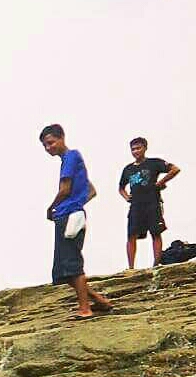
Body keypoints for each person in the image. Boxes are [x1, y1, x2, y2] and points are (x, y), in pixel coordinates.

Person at [39, 124, 113, 320]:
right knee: (62, 270)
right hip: (72, 213)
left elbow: (65, 189)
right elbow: (91, 190)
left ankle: (85, 309)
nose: (48, 148)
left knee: (72, 264)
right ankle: (99, 301)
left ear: (61, 138)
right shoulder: (71, 160)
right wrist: (77, 203)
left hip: (69, 217)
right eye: (45, 145)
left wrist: (51, 207)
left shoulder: (71, 157)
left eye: (51, 142)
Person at [119, 137, 181, 268]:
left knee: (156, 232)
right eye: (133, 149)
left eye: (138, 148)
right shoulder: (128, 169)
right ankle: (131, 268)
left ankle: (156, 264)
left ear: (145, 148)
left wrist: (161, 182)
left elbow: (175, 169)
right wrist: (126, 197)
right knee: (131, 235)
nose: (136, 151)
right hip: (136, 205)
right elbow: (121, 187)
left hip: (152, 202)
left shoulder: (154, 163)